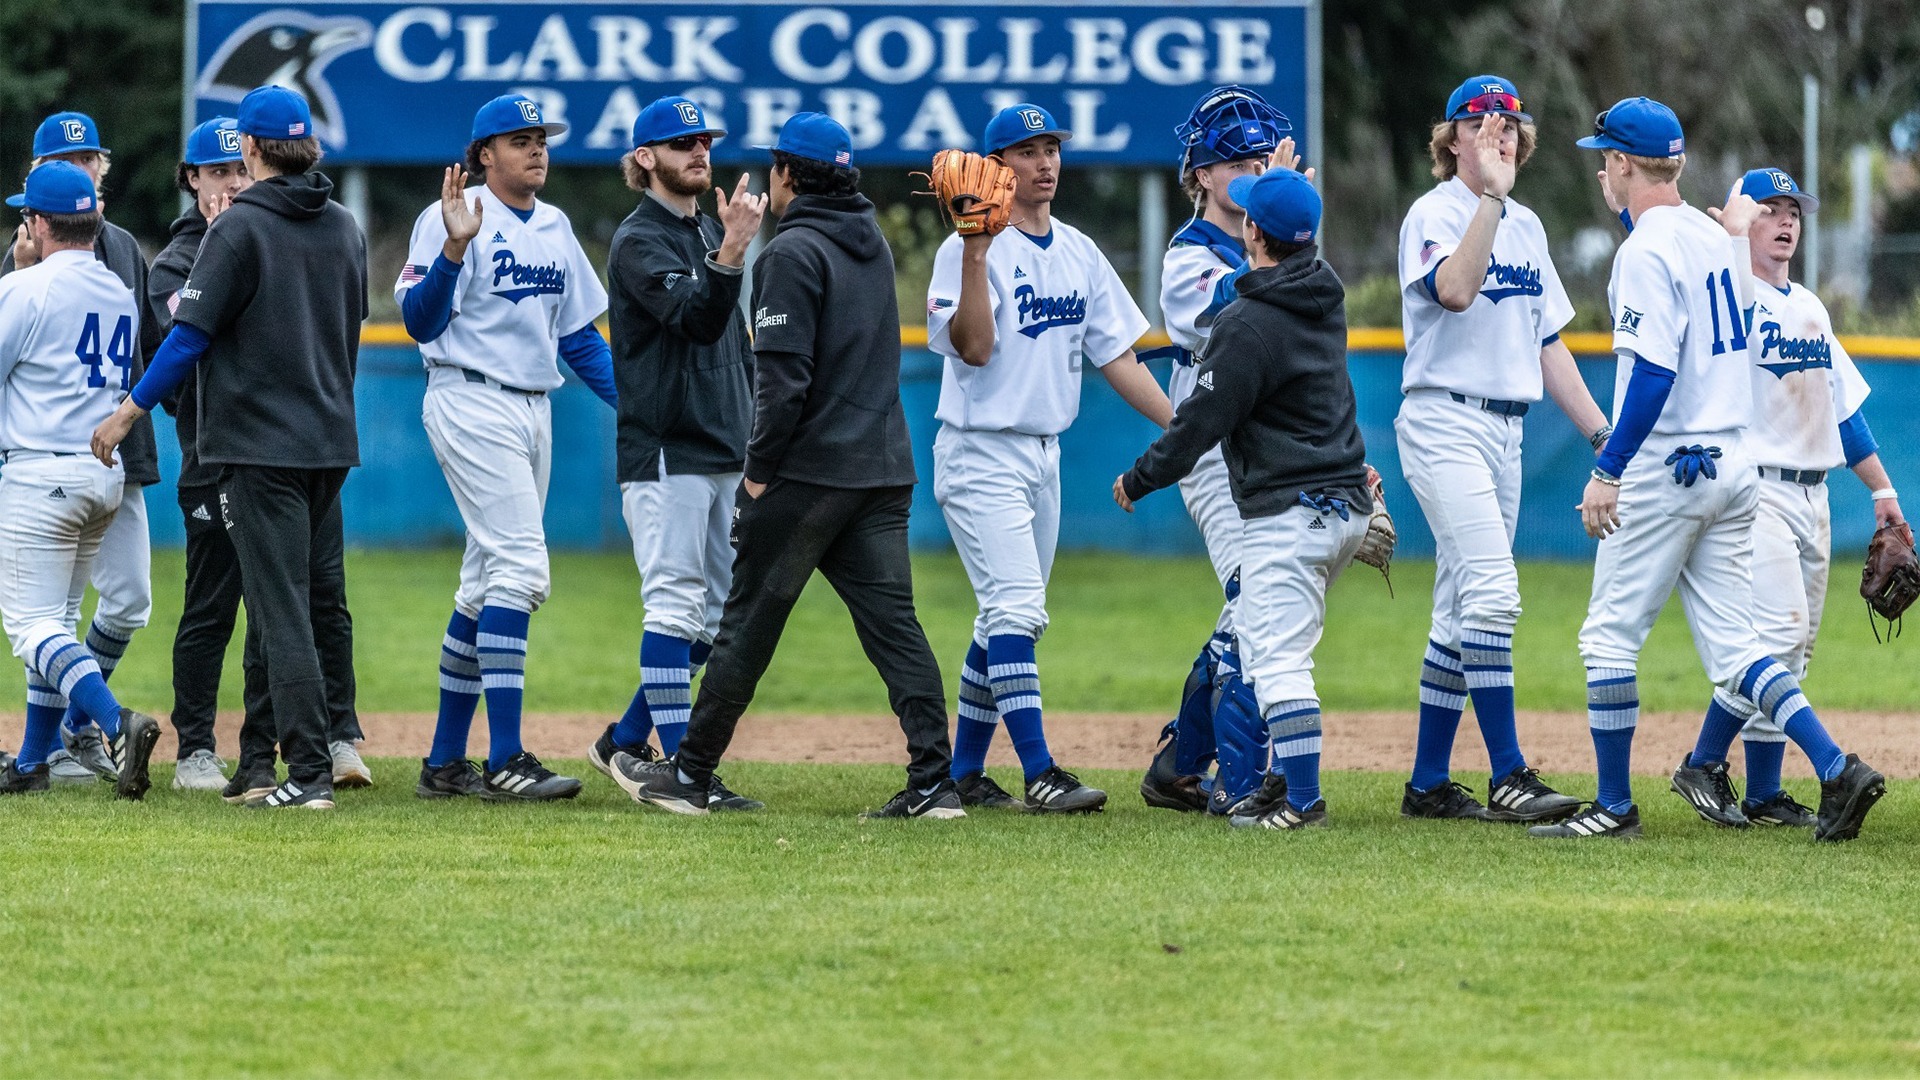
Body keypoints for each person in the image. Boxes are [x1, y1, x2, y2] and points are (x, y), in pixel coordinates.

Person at [1533, 97, 1885, 841]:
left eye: (1606, 158)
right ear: (1680, 165)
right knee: (1740, 646)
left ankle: (1613, 807)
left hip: (1672, 461)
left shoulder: (1646, 251)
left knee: (1608, 639)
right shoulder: (1712, 236)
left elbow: (1654, 373)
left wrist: (1609, 469)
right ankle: (1835, 767)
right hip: (1735, 467)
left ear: (1621, 164)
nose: (1603, 170)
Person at [609, 113, 963, 820]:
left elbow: (782, 384)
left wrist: (758, 474)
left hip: (809, 475)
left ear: (787, 176)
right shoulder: (872, 243)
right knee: (895, 628)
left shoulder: (791, 253)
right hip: (883, 466)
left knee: (743, 626)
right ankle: (935, 782)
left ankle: (691, 773)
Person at [93, 86, 369, 811]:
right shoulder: (344, 224)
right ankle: (258, 765)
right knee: (290, 604)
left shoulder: (239, 228)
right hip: (329, 440)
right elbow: (347, 330)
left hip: (260, 446)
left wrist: (128, 412)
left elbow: (186, 338)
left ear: (251, 149)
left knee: (282, 612)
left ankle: (306, 773)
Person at [927, 103, 1173, 814]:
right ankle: (1040, 771)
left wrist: (1184, 428)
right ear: (994, 167)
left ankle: (965, 773)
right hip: (980, 452)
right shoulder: (963, 249)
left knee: (1000, 618)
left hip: (1043, 455)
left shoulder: (1078, 250)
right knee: (1016, 609)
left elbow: (1118, 356)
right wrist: (976, 252)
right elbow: (974, 348)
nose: (1045, 163)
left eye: (1052, 149)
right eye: (1027, 151)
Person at [1113, 168, 1367, 831]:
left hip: (1289, 509)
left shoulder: (1247, 323)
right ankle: (1256, 778)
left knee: (1275, 660)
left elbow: (1199, 423)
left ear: (1253, 231)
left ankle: (1297, 800)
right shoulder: (1325, 291)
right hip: (1344, 504)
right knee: (1276, 639)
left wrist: (1139, 478)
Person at [1666, 167, 1908, 828]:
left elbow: (1842, 411)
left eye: (1793, 211)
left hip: (1814, 495)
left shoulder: (1810, 307)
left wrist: (1883, 490)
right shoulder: (1731, 302)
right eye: (1769, 210)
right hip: (1757, 491)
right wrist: (1724, 244)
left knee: (1794, 653)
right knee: (1779, 633)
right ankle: (1711, 761)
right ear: (1743, 218)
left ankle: (1764, 793)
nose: (1785, 222)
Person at [1392, 76, 1606, 824]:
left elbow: (1548, 343)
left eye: (1509, 123)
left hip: (1506, 429)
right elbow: (1454, 290)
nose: (1499, 132)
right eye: (1481, 123)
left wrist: (1603, 436)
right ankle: (1509, 773)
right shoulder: (1436, 212)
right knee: (1493, 594)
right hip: (1444, 420)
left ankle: (1427, 783)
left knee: (1459, 608)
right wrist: (1489, 198)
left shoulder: (1528, 225)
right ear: (1452, 139)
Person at [398, 93, 617, 802]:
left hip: (532, 406)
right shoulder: (448, 215)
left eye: (541, 138)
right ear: (484, 154)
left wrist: (637, 408)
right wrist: (454, 249)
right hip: (469, 397)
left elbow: (578, 337)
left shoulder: (554, 225)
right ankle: (506, 758)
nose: (537, 149)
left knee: (484, 583)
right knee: (522, 572)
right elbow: (419, 321)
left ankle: (442, 764)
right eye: (520, 140)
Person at [589, 95, 763, 811]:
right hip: (667, 450)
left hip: (723, 445)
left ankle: (624, 740)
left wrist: (754, 436)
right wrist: (731, 254)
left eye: (704, 141)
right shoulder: (639, 240)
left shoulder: (709, 231)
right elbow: (695, 320)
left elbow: (735, 344)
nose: (698, 151)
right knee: (673, 605)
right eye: (681, 142)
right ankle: (683, 774)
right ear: (645, 158)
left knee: (716, 621)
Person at [1138, 85, 1293, 816]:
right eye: (1238, 163)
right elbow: (1240, 305)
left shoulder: (1277, 247)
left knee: (1263, 603)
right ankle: (1238, 779)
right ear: (1201, 174)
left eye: (1263, 162)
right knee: (1256, 601)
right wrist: (1283, 226)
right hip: (1211, 454)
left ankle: (1178, 763)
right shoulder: (1189, 256)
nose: (1254, 173)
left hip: (1273, 448)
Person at [3, 111, 160, 786]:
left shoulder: (24, 286)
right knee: (62, 621)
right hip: (102, 471)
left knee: (30, 625)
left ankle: (114, 721)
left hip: (42, 472)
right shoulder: (117, 291)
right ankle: (32, 763)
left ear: (40, 224)